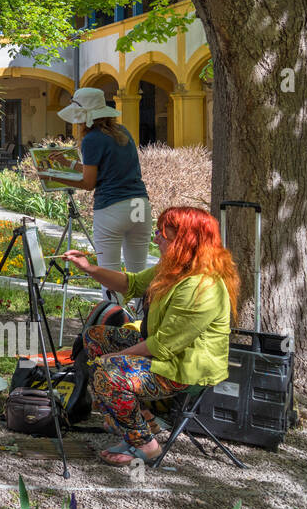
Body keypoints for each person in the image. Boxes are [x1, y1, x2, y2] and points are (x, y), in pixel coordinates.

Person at [63, 206, 238, 468]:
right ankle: (134, 414)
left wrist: (114, 359)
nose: (156, 238)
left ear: (184, 241)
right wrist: (89, 268)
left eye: (162, 235)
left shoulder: (202, 286)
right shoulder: (175, 269)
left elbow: (163, 345)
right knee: (95, 336)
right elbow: (130, 284)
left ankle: (145, 443)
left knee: (108, 372)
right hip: (164, 354)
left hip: (184, 368)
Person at [41, 87, 151, 272]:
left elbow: (88, 183)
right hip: (139, 205)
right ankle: (143, 303)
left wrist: (53, 176)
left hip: (112, 207)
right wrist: (68, 164)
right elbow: (104, 170)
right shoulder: (122, 132)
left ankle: (113, 303)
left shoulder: (92, 139)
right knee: (139, 274)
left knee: (109, 273)